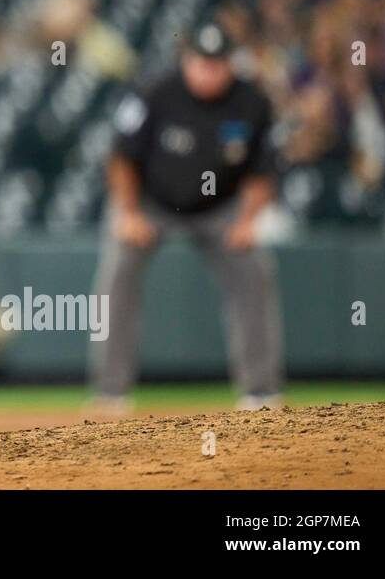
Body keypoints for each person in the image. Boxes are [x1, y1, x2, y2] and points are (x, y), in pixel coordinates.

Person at [89, 22, 285, 414]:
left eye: (217, 63)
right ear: (187, 59)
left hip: (220, 209)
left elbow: (264, 171)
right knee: (117, 270)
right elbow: (121, 156)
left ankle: (260, 393)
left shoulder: (252, 102)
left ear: (231, 64)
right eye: (201, 62)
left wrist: (248, 221)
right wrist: (127, 213)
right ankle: (110, 393)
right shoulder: (155, 91)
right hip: (152, 202)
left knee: (253, 270)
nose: (208, 71)